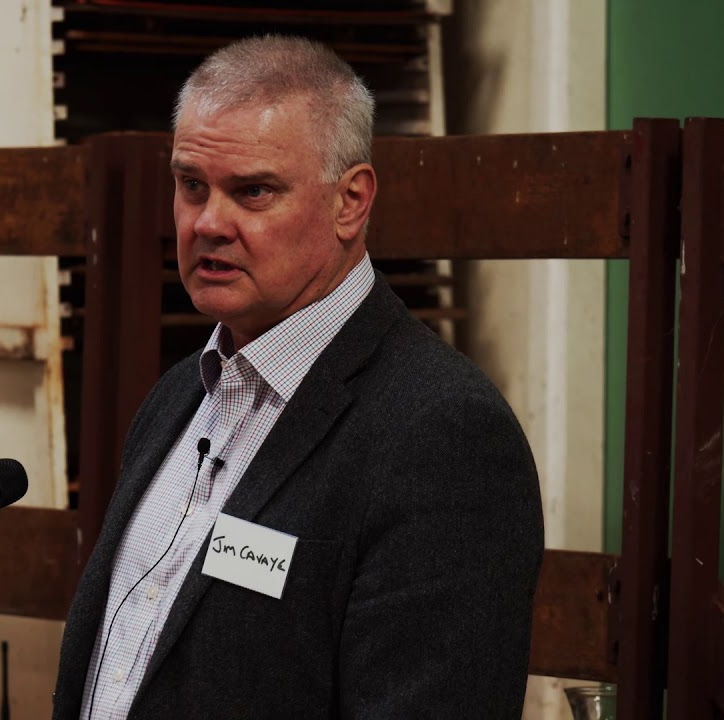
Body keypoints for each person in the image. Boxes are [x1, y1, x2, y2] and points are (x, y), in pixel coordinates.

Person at [52, 36, 544, 719]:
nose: (207, 223)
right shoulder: (176, 398)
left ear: (351, 201)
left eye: (253, 192)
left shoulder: (443, 436)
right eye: (191, 185)